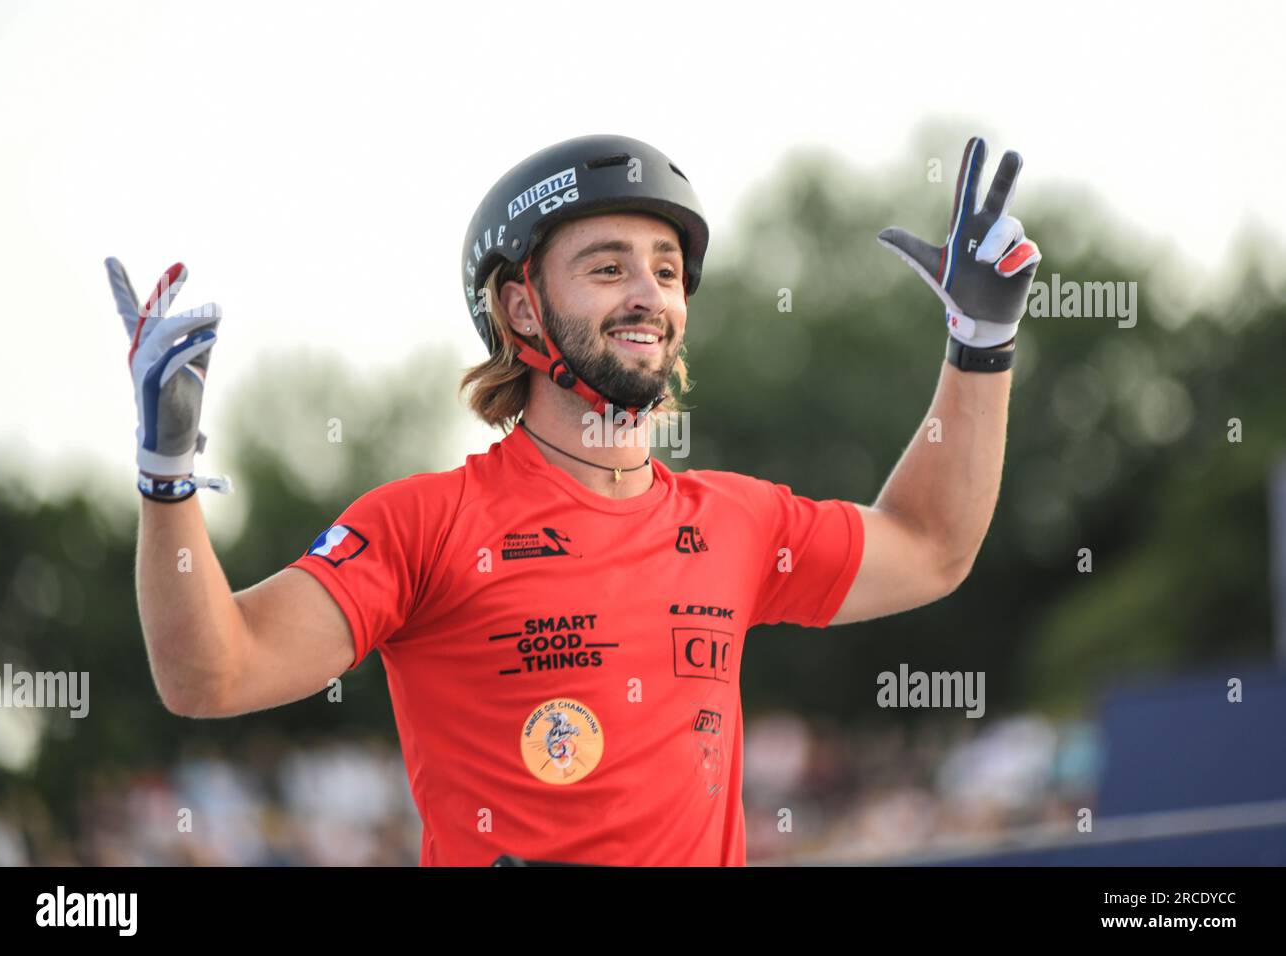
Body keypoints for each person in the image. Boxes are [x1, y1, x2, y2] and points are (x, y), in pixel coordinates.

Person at [108, 132, 1040, 866]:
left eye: (667, 270)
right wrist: (166, 473)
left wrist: (981, 343)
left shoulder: (739, 522)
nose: (648, 294)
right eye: (607, 267)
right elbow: (208, 675)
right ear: (521, 309)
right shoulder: (423, 524)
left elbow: (931, 545)